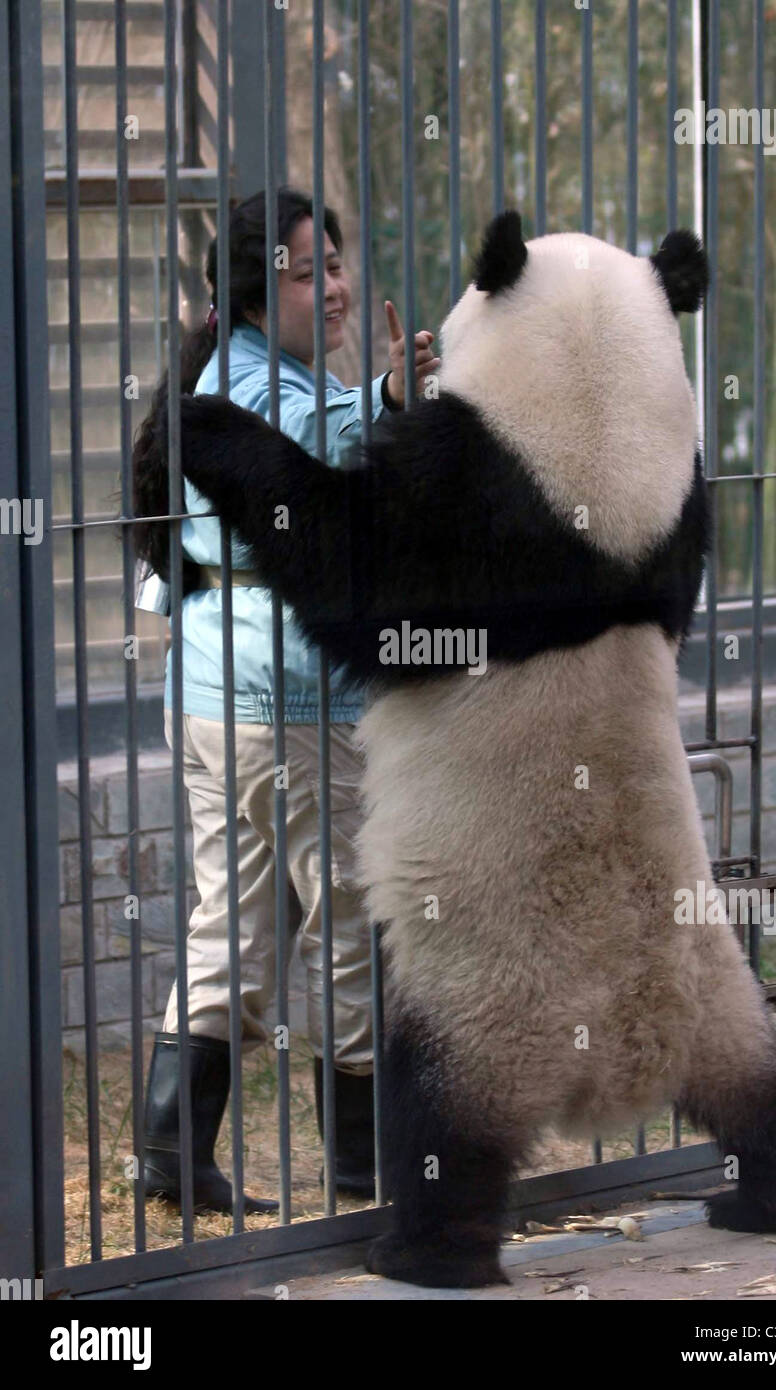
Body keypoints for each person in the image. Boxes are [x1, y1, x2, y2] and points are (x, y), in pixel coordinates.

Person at [132, 187, 439, 1212]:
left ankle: (170, 1150)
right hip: (291, 705)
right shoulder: (260, 387)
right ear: (261, 294)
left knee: (234, 928)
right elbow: (311, 441)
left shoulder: (239, 369)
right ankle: (361, 1163)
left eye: (340, 263)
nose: (338, 288)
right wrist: (392, 397)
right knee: (356, 925)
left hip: (223, 697)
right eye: (313, 274)